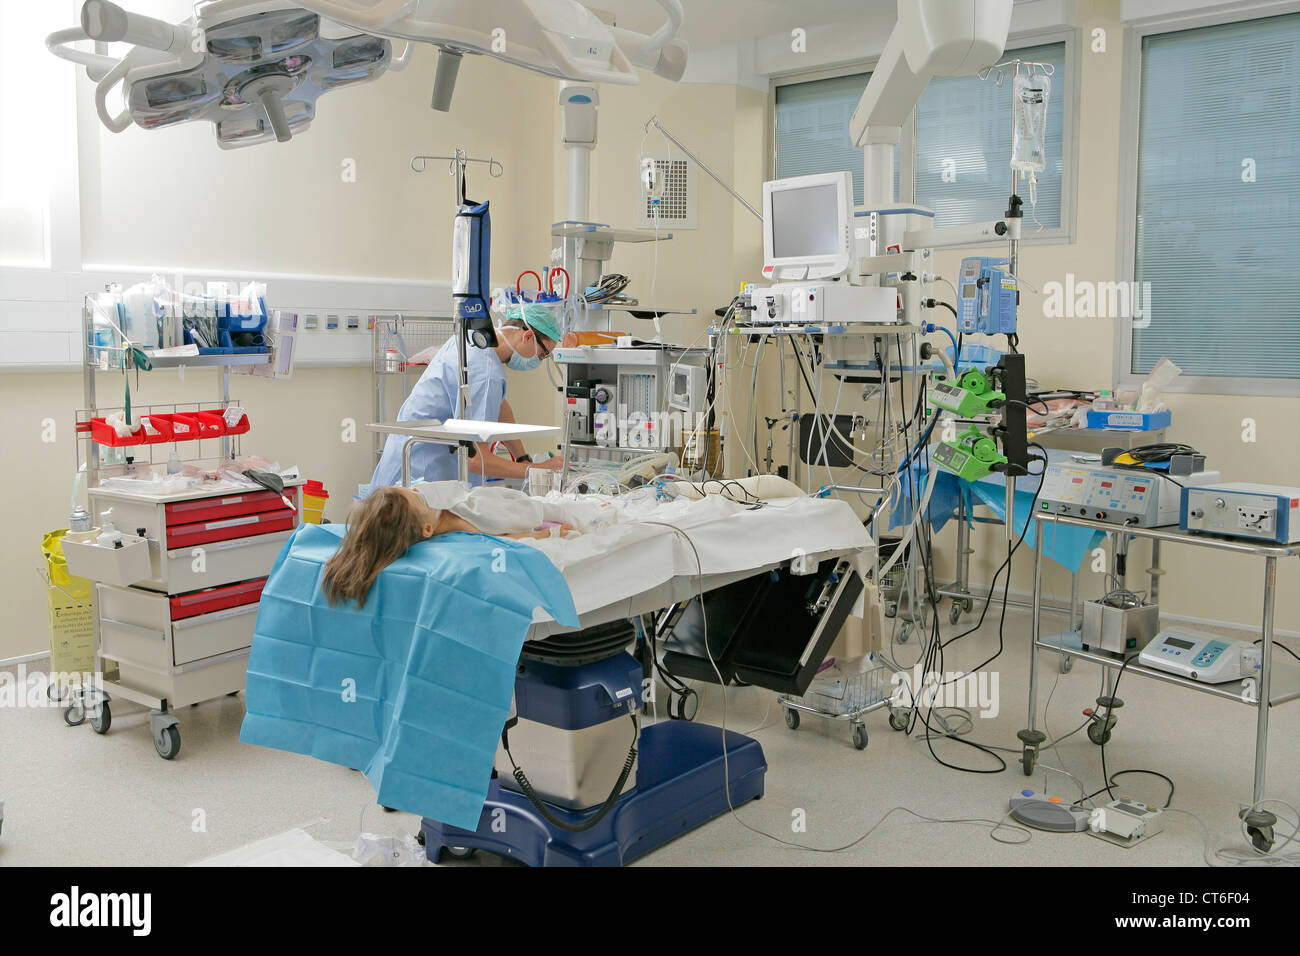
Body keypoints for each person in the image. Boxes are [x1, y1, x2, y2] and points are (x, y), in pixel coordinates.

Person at [370, 303, 566, 489]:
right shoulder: (487, 373)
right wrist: (535, 470)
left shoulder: (471, 340)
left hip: (403, 459)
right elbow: (475, 460)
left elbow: (498, 404)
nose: (539, 360)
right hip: (423, 476)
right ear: (528, 336)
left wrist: (521, 456)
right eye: (542, 354)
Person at [322, 483, 575, 607]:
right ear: (427, 529)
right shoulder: (454, 523)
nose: (422, 491)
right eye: (420, 498)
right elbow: (500, 541)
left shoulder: (401, 530)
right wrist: (549, 536)